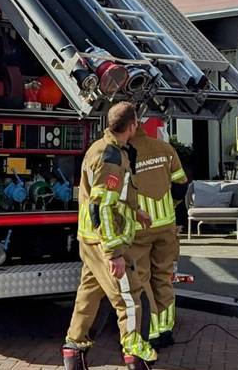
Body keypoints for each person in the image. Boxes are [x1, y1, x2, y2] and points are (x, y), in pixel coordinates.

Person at [63, 102, 155, 370]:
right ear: (132, 126)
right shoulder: (110, 156)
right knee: (129, 297)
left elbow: (115, 196)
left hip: (91, 239)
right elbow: (101, 206)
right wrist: (114, 253)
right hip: (106, 241)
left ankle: (74, 349)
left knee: (89, 295)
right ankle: (135, 357)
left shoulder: (105, 149)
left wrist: (136, 211)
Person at [129, 123, 188, 349]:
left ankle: (150, 333)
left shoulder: (124, 152)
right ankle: (166, 331)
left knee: (141, 279)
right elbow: (181, 185)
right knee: (163, 277)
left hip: (139, 228)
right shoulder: (165, 149)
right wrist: (170, 207)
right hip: (166, 225)